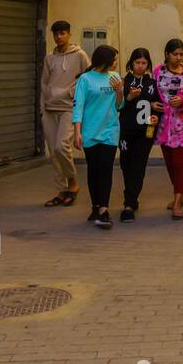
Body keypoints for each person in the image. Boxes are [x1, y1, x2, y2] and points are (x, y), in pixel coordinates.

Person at [73, 44, 124, 229]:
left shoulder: (116, 77)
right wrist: (77, 131)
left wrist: (119, 90)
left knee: (105, 169)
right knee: (94, 170)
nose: (117, 63)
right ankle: (95, 206)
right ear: (105, 61)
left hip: (110, 131)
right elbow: (78, 106)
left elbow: (119, 106)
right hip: (89, 132)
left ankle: (103, 209)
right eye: (115, 60)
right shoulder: (85, 80)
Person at [41, 20, 90, 208]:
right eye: (56, 34)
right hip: (49, 109)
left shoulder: (80, 56)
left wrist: (73, 93)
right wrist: (41, 109)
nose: (59, 37)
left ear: (69, 34)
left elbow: (88, 77)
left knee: (62, 147)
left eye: (62, 33)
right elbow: (44, 84)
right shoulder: (49, 59)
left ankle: (73, 183)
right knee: (53, 152)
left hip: (69, 108)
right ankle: (61, 190)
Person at [153, 38, 183, 219]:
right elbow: (151, 92)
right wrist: (152, 103)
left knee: (180, 164)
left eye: (181, 54)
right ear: (167, 54)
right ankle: (179, 193)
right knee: (170, 164)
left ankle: (177, 201)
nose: (179, 57)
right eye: (175, 54)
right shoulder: (158, 71)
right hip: (164, 126)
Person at [118, 48, 160, 221]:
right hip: (126, 131)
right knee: (126, 165)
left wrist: (156, 112)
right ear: (131, 63)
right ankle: (130, 195)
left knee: (138, 166)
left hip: (145, 132)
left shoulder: (152, 83)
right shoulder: (124, 82)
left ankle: (129, 203)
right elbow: (117, 106)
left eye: (144, 63)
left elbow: (158, 104)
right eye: (137, 63)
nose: (141, 66)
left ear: (148, 64)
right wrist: (128, 97)